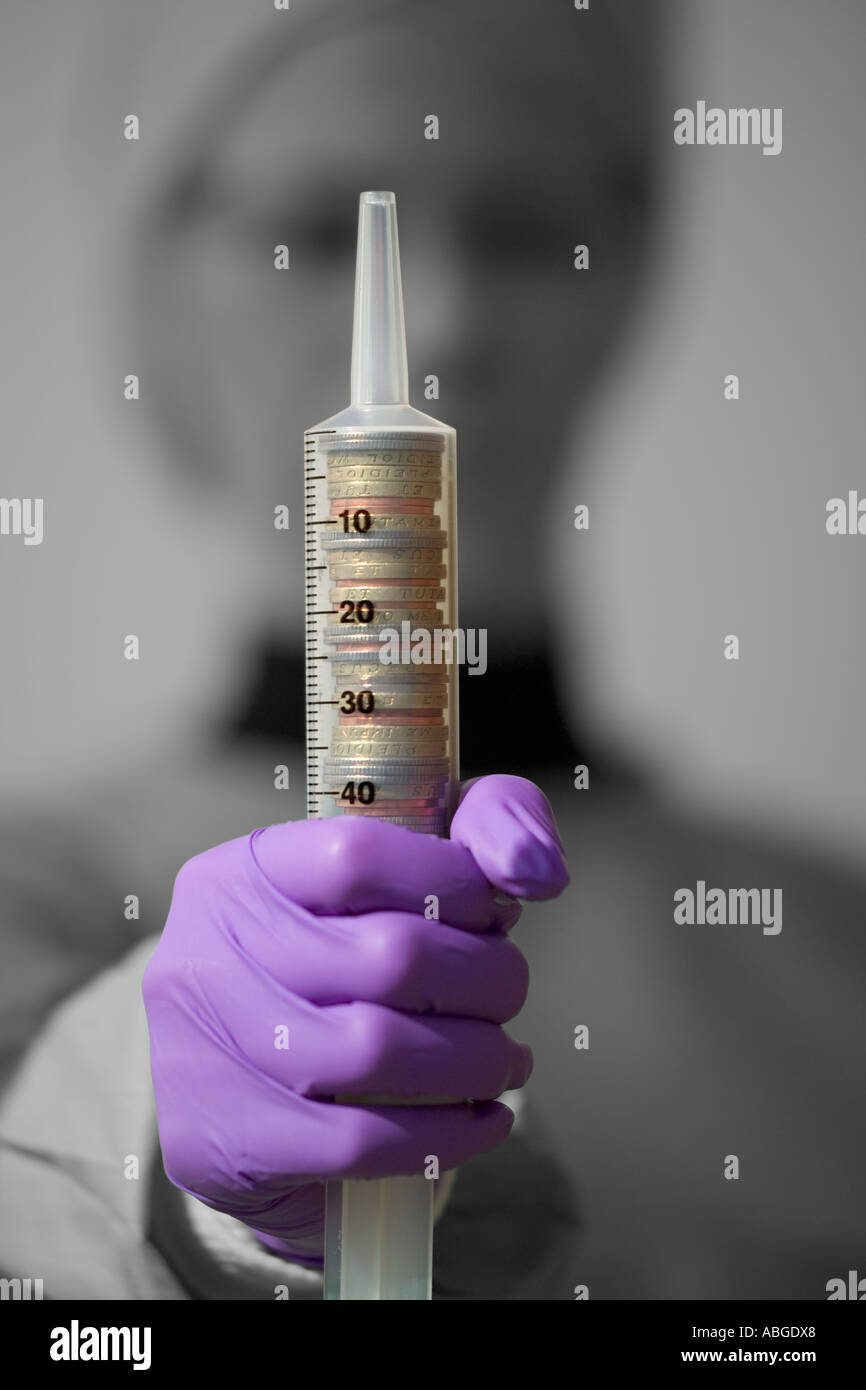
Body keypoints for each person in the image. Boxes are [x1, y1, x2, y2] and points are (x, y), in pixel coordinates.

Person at [1, 0, 864, 1301]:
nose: (447, 323)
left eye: (522, 231)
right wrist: (144, 1119)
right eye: (304, 229)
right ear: (159, 282)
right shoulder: (30, 889)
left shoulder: (833, 945)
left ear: (630, 270)